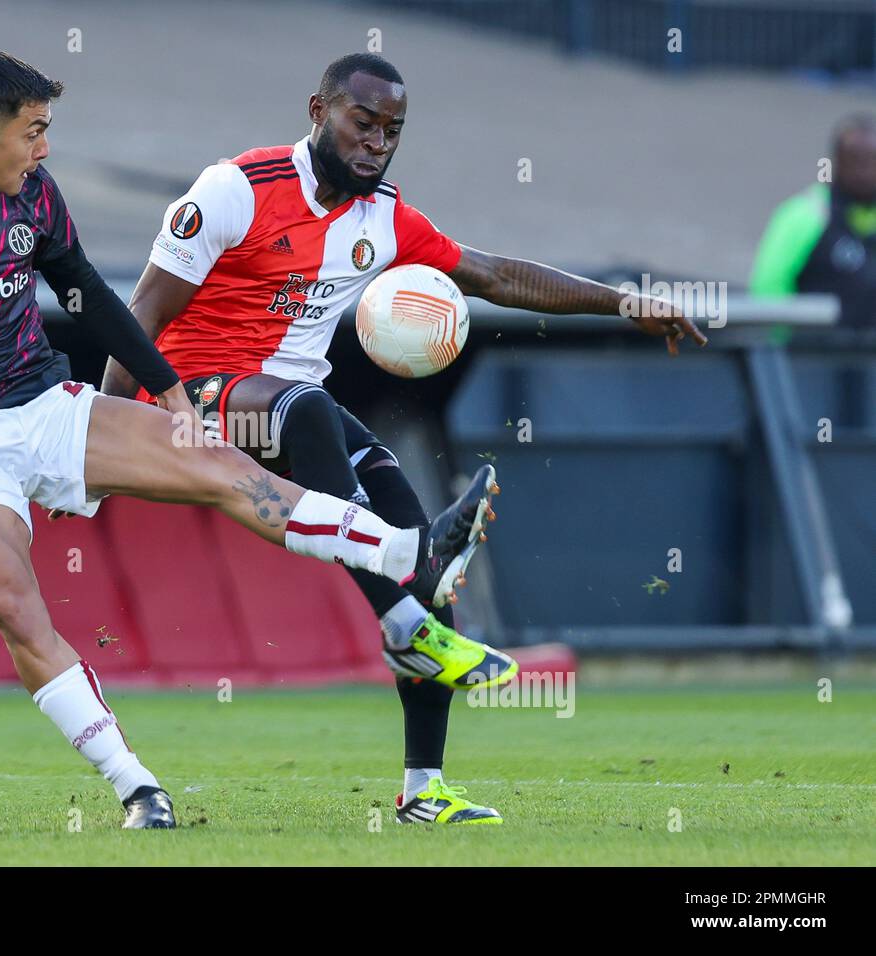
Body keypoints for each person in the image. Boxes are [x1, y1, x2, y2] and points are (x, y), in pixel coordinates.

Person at [0, 37, 501, 830]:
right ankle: (137, 787)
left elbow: (91, 294)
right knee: (15, 604)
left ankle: (410, 562)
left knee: (222, 468)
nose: (44, 148)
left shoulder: (32, 194)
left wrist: (170, 393)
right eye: (33, 131)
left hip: (44, 405)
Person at [102, 53, 704, 826]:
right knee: (312, 416)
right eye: (363, 122)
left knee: (422, 550)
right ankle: (401, 624)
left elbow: (494, 276)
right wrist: (105, 438)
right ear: (317, 109)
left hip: (288, 406)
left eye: (393, 130)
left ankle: (426, 786)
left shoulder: (384, 218)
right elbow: (139, 316)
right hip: (195, 401)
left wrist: (621, 302)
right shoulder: (235, 190)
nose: (378, 142)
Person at [750, 113, 876, 329]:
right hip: (810, 355)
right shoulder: (803, 216)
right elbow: (767, 290)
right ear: (836, 162)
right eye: (857, 162)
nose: (866, 173)